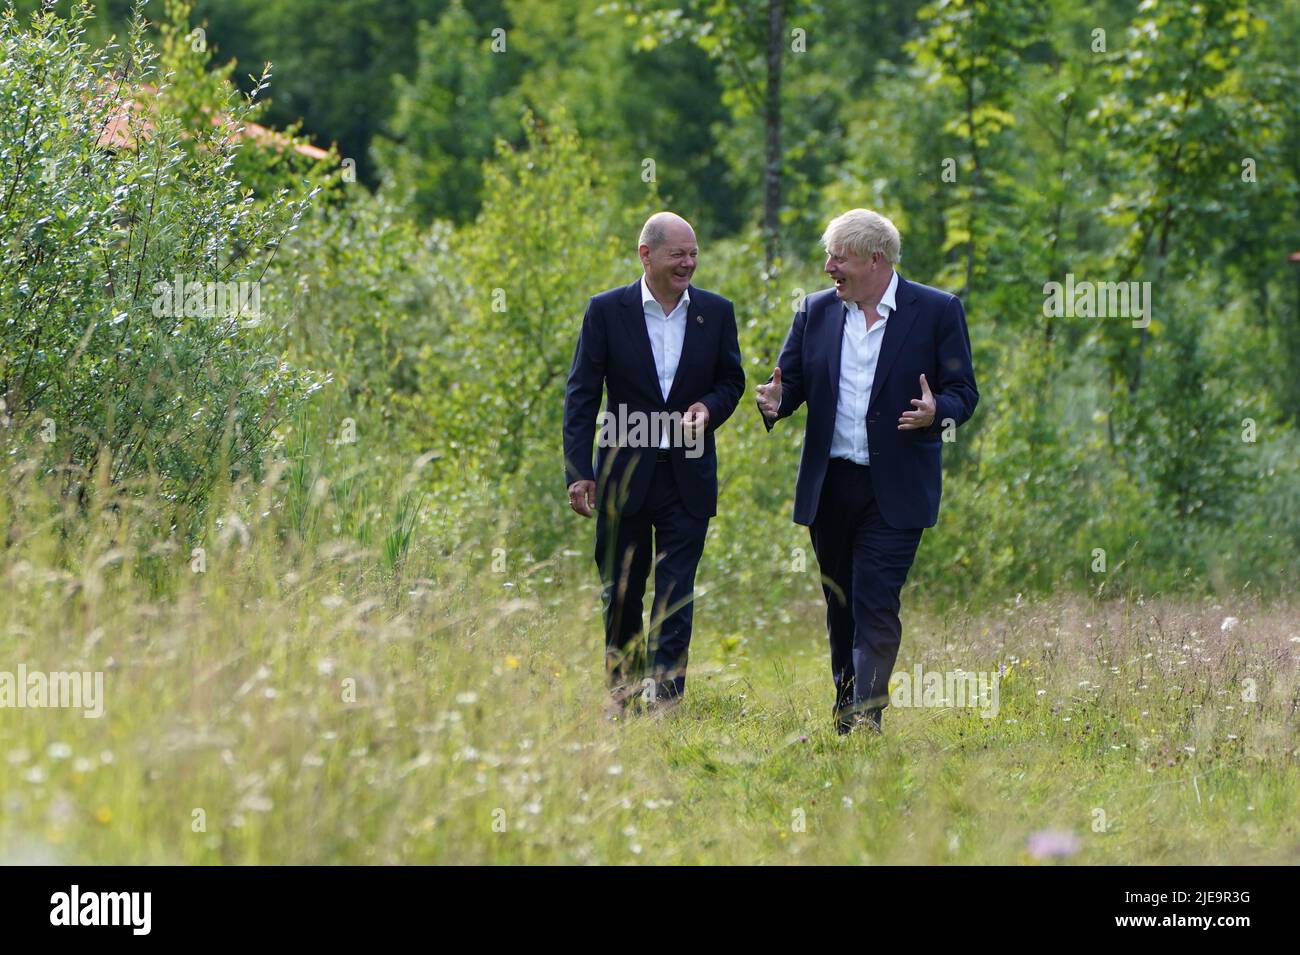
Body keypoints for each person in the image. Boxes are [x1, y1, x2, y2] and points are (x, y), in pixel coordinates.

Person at [755, 209, 978, 735]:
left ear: (875, 259)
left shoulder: (937, 310)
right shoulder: (815, 312)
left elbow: (963, 392)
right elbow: (793, 382)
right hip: (831, 486)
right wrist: (775, 400)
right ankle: (846, 709)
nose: (829, 267)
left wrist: (936, 412)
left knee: (877, 601)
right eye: (829, 257)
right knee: (842, 604)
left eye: (839, 258)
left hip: (896, 489)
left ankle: (866, 718)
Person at [564, 212, 745, 719]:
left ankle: (667, 699)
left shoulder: (716, 312)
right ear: (646, 255)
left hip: (688, 471)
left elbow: (733, 381)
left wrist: (710, 407)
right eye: (678, 254)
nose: (688, 263)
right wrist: (579, 469)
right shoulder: (606, 311)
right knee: (621, 588)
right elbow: (581, 394)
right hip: (622, 474)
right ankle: (621, 695)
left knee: (676, 590)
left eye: (693, 254)